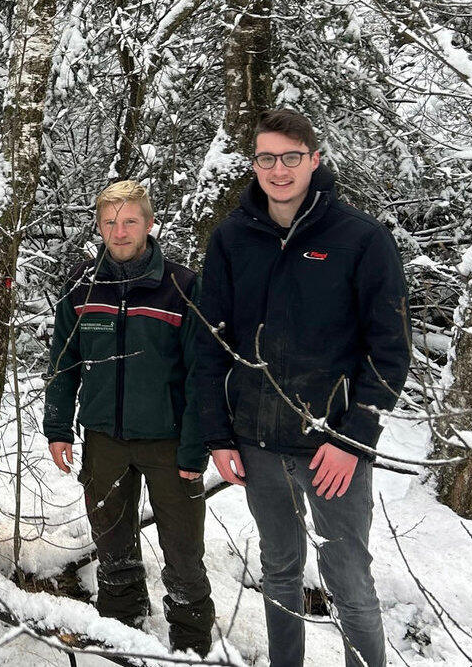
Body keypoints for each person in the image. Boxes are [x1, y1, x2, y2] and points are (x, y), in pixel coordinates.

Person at [194, 109, 410, 667]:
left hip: (332, 448)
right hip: (259, 445)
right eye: (267, 158)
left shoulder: (361, 239)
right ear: (254, 164)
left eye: (291, 158)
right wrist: (219, 435)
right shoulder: (233, 240)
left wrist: (354, 438)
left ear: (315, 160)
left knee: (348, 576)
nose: (279, 170)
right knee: (280, 569)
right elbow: (208, 344)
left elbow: (389, 350)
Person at [43, 180, 214, 654]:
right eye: (110, 222)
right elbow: (64, 360)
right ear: (99, 226)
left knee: (183, 555)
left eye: (129, 221)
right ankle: (123, 631)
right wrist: (58, 427)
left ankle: (192, 645)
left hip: (169, 443)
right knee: (113, 546)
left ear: (149, 223)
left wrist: (195, 448)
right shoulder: (81, 284)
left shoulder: (181, 286)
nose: (119, 231)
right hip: (104, 441)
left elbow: (203, 374)